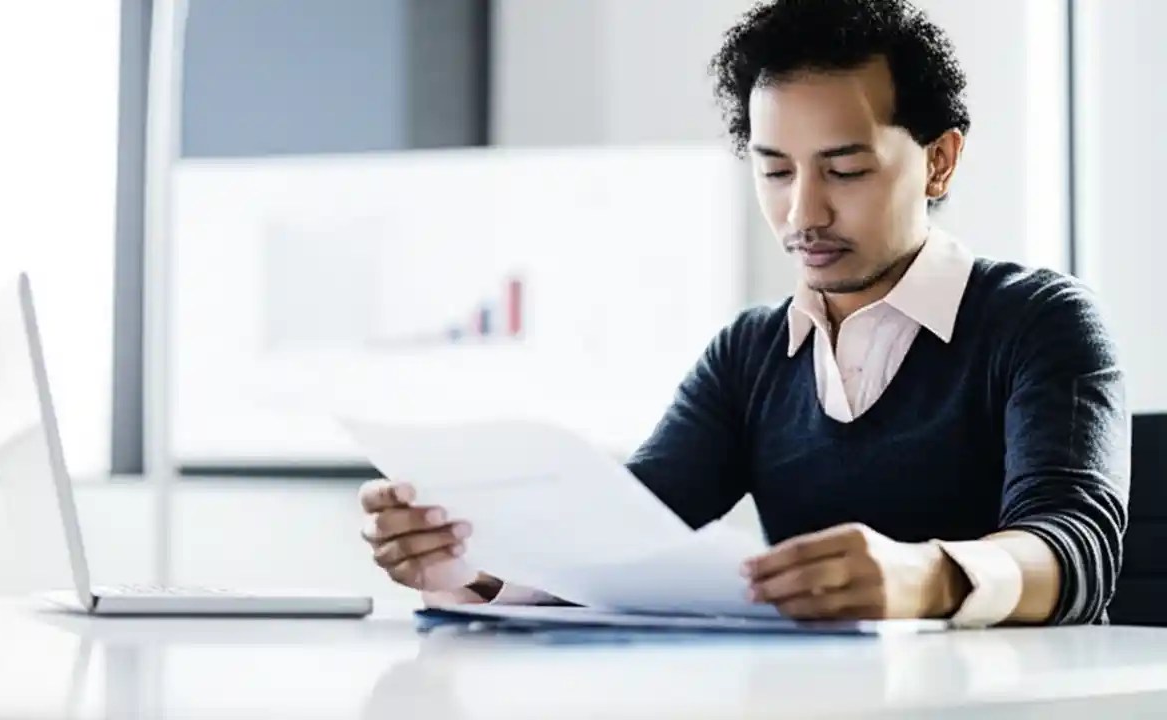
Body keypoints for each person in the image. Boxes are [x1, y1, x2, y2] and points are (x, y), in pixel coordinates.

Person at [358, 0, 1130, 626]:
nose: (803, 211)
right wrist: (472, 562)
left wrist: (929, 576)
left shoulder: (1039, 321)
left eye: (846, 169)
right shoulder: (751, 352)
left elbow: (1075, 545)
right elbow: (623, 542)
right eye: (774, 171)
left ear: (939, 160)